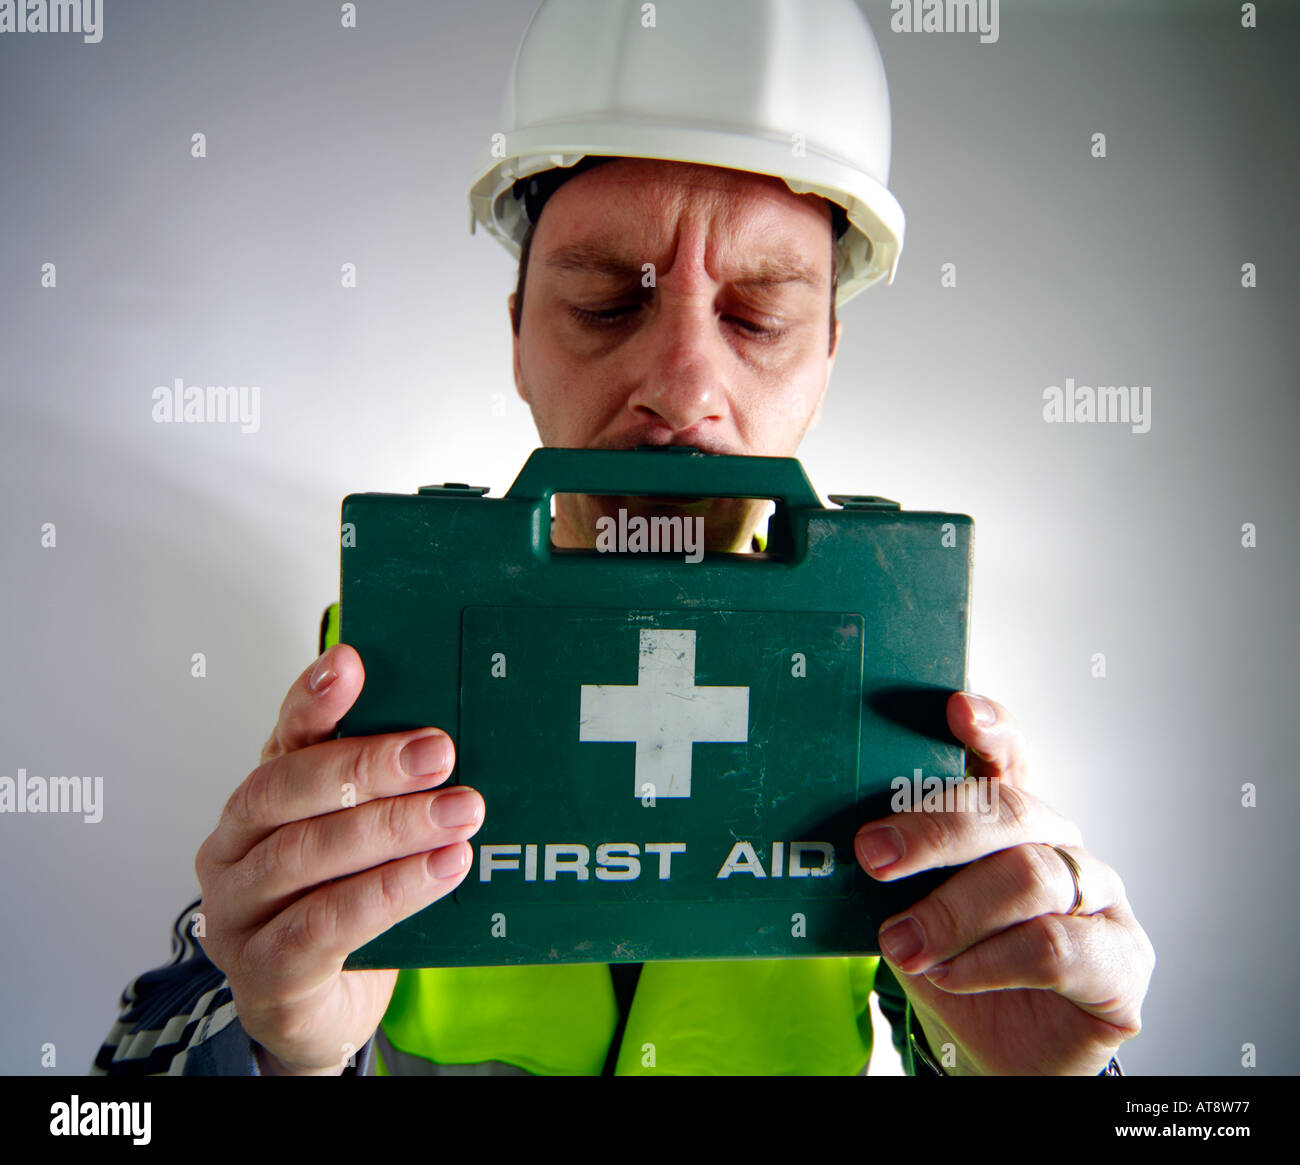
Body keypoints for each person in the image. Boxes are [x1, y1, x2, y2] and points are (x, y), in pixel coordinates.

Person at [93, 0, 1153, 1077]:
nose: (684, 388)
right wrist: (283, 1045)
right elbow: (122, 1077)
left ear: (825, 354)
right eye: (606, 302)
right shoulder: (380, 650)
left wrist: (1040, 1071)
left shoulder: (895, 672)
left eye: (755, 319)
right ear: (519, 334)